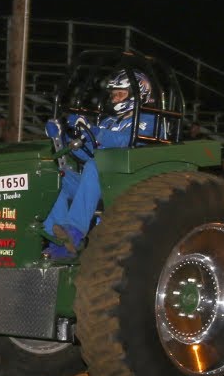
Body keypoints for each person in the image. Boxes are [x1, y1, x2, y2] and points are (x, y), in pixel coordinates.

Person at [42, 68, 156, 258]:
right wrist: (61, 137)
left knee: (95, 166)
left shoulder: (148, 120)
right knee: (58, 176)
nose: (115, 98)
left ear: (138, 94)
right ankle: (56, 236)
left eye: (120, 94)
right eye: (113, 94)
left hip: (126, 182)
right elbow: (88, 153)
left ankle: (74, 231)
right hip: (101, 181)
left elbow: (123, 143)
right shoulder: (109, 121)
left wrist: (93, 131)